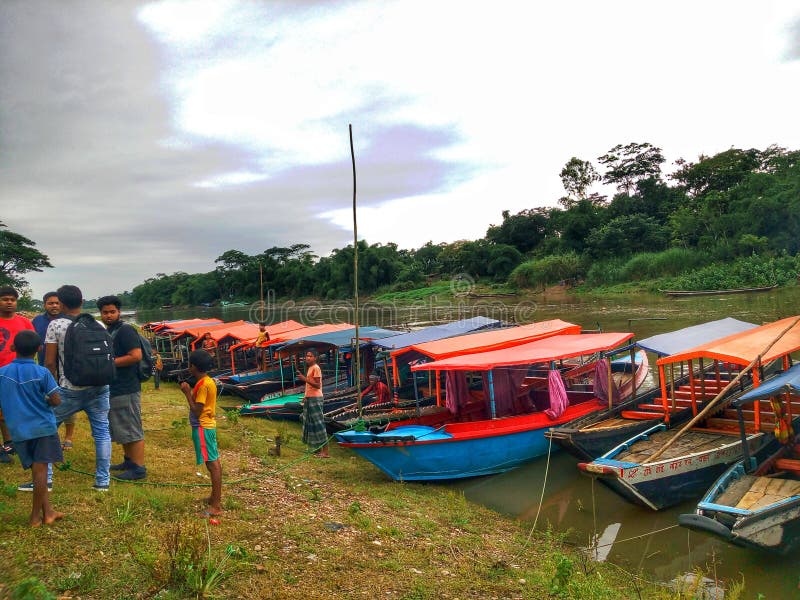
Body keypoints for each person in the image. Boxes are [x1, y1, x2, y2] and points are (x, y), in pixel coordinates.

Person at [44, 285, 111, 492]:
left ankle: (46, 480)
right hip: (100, 386)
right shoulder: (98, 323)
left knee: (47, 428)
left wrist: (51, 389)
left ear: (61, 304)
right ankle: (102, 481)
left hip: (69, 388)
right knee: (102, 432)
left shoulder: (56, 325)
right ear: (82, 302)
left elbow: (49, 363)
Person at [0, 330, 64, 526]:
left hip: (18, 430)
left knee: (37, 472)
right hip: (42, 428)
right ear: (39, 348)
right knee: (40, 472)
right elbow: (56, 400)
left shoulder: (2, 372)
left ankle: (49, 512)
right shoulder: (42, 373)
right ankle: (35, 517)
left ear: (13, 348)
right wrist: (45, 400)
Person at [98, 295, 146, 481]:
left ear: (119, 312)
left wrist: (109, 363)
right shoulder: (110, 330)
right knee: (122, 427)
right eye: (105, 312)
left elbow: (135, 356)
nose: (109, 315)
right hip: (116, 387)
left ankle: (139, 469)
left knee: (132, 428)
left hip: (127, 387)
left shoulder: (125, 330)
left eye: (112, 312)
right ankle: (129, 461)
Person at [180, 350, 222, 516]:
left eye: (189, 364)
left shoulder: (203, 385)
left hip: (203, 427)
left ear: (193, 366)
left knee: (212, 465)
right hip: (207, 426)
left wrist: (187, 393)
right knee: (213, 462)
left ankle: (216, 506)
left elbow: (197, 410)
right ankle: (214, 498)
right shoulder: (208, 381)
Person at [32, 291, 76, 451]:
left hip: (66, 368)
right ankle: (51, 435)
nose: (54, 306)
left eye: (57, 303)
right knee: (46, 401)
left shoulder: (69, 321)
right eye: (50, 303)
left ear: (62, 304)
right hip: (45, 368)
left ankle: (68, 437)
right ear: (44, 305)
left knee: (68, 402)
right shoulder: (37, 321)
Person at [0, 285, 34, 463]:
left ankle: (10, 442)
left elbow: (34, 345)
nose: (9, 303)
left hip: (19, 373)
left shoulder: (24, 322)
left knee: (14, 409)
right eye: (5, 299)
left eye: (12, 300)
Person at [296, 349, 329, 458]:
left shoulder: (316, 368)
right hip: (310, 398)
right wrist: (305, 396)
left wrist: (304, 379)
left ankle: (325, 452)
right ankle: (317, 448)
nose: (308, 358)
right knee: (310, 422)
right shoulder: (310, 368)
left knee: (319, 424)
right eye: (307, 356)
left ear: (315, 358)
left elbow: (317, 385)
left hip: (316, 398)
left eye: (310, 356)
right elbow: (309, 386)